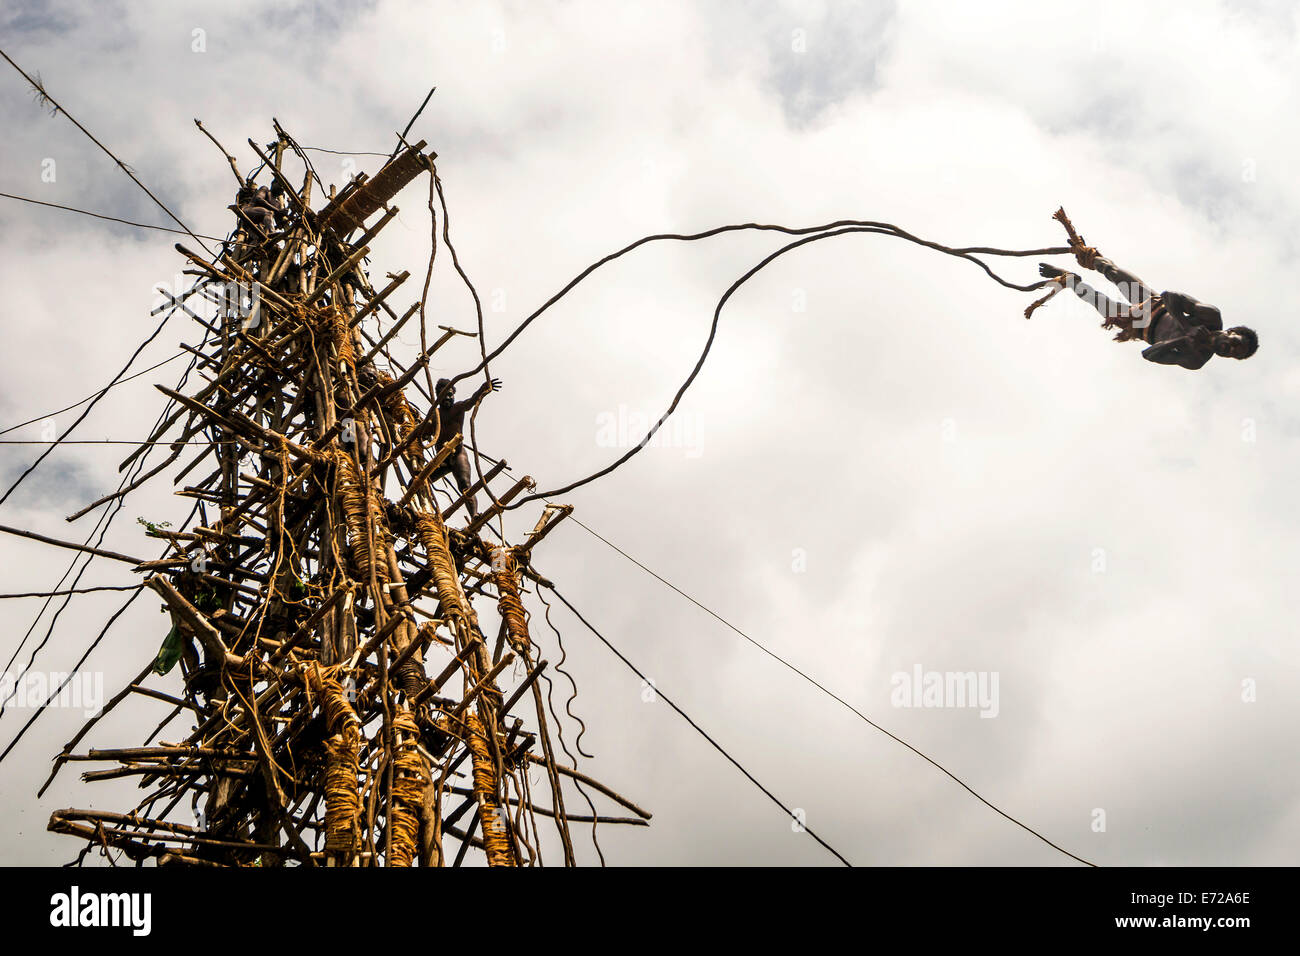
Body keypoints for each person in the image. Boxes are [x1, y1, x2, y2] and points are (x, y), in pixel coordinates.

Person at [1037, 256, 1257, 370]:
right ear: (1232, 331)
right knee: (1112, 271)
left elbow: (1149, 355)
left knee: (1094, 299)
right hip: (1153, 304)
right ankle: (1086, 254)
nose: (1231, 350)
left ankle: (1068, 279)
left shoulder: (1196, 358)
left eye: (1234, 355)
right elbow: (1170, 296)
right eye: (1236, 343)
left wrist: (1184, 339)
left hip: (1138, 327)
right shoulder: (1212, 318)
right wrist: (1186, 324)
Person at [426, 376, 501, 515]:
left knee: (465, 485)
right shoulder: (435, 415)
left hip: (458, 454)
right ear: (438, 396)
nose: (448, 398)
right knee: (419, 481)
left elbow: (470, 402)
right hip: (442, 459)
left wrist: (482, 389)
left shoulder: (458, 408)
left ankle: (474, 516)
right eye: (444, 395)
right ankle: (424, 508)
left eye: (450, 395)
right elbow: (424, 432)